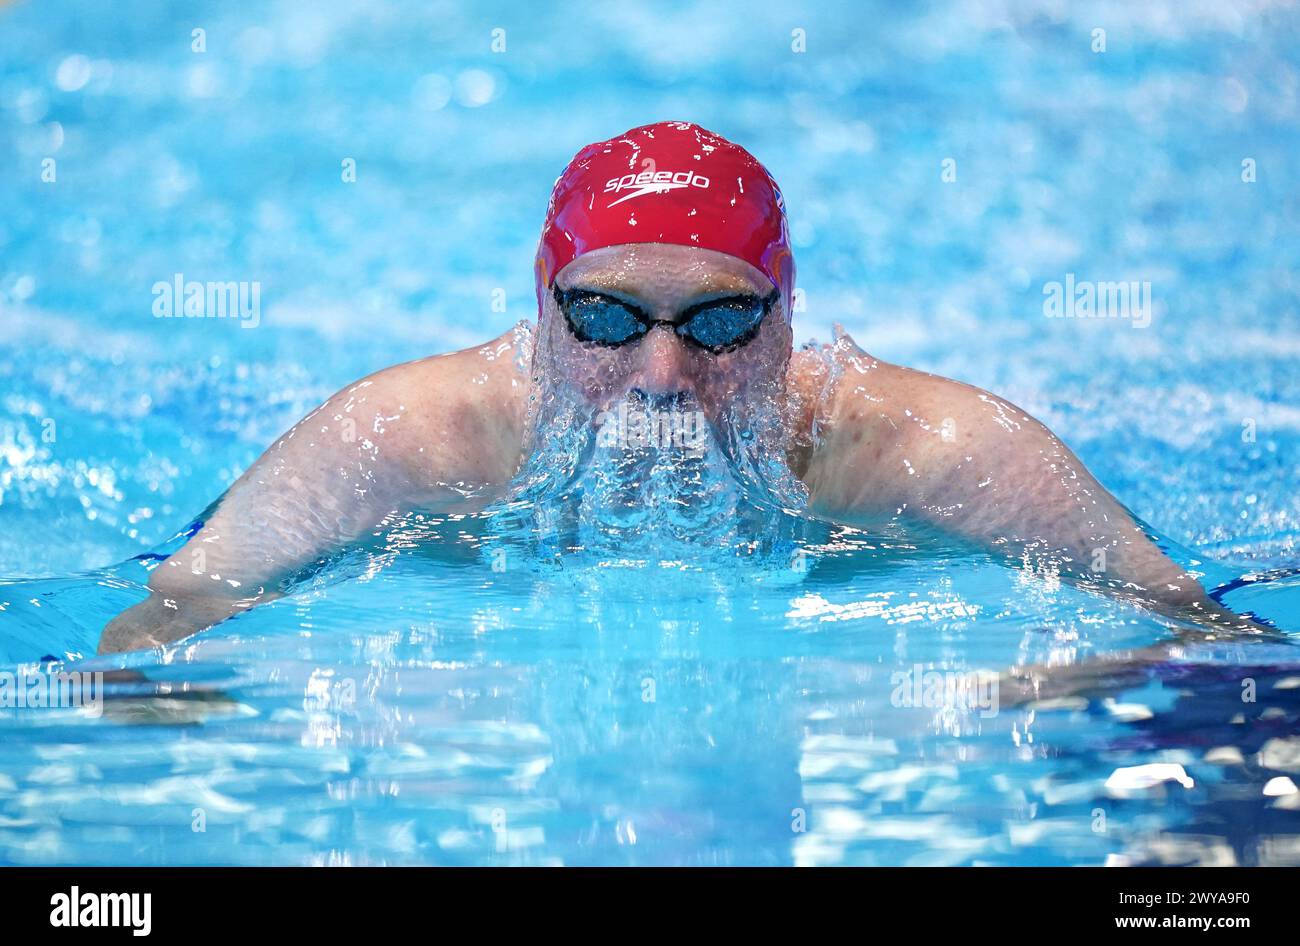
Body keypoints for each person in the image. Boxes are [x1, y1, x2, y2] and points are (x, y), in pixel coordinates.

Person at [99, 120, 1239, 654]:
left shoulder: (924, 452)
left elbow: (1202, 626)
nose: (662, 374)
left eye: (720, 321)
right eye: (603, 317)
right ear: (541, 311)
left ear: (787, 317)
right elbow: (163, 612)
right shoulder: (410, 440)